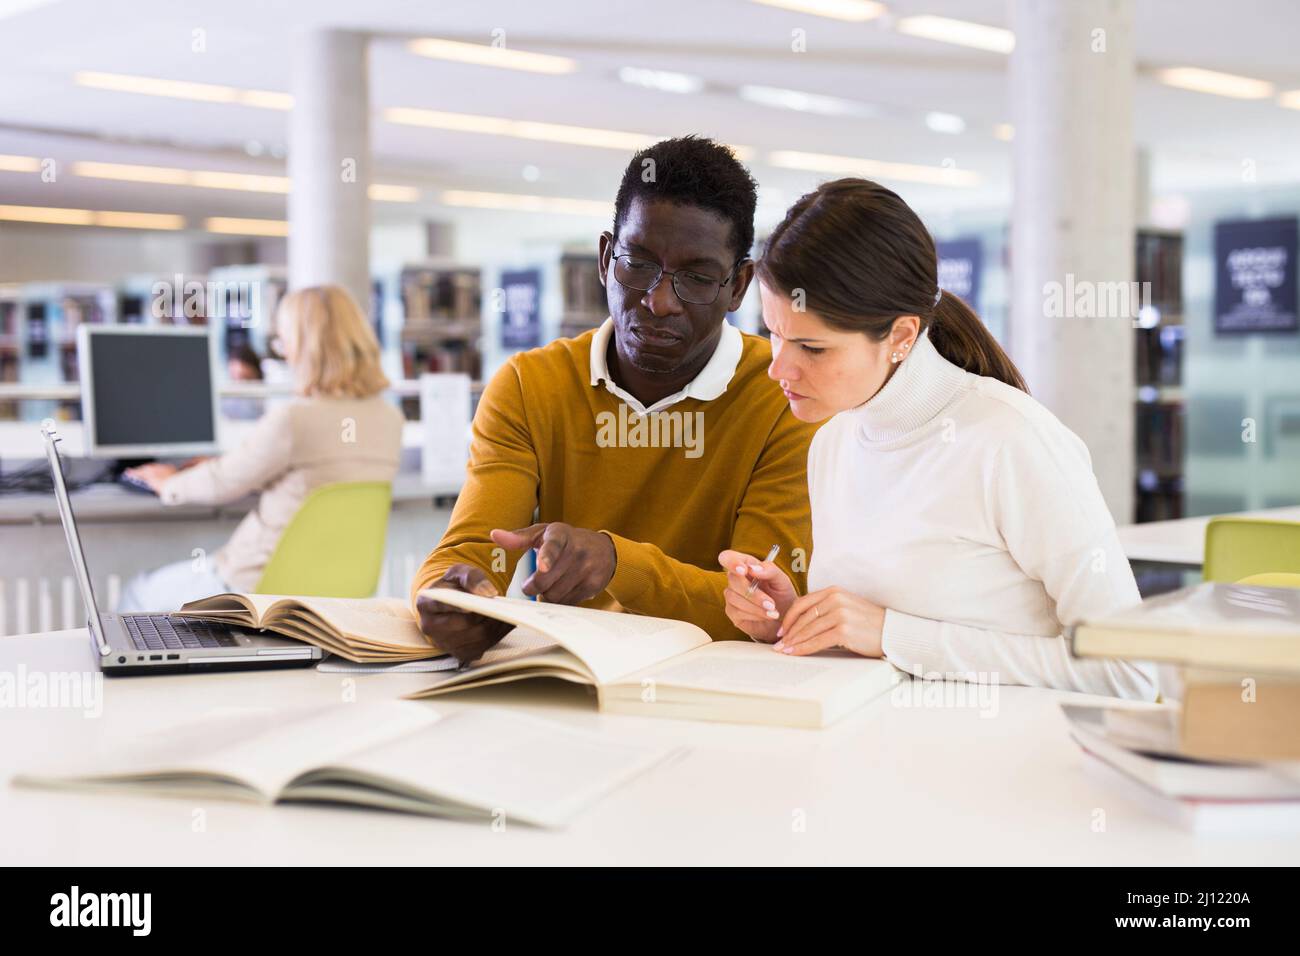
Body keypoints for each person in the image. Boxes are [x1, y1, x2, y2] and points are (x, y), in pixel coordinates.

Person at [720, 178, 1157, 700]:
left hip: (1000, 766)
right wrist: (794, 619)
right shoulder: (832, 440)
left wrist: (891, 633)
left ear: (902, 336)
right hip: (869, 754)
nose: (779, 368)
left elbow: (1128, 670)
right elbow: (877, 647)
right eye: (774, 333)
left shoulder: (1012, 441)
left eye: (812, 347)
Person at [412, 136, 819, 665]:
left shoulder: (784, 395)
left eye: (696, 278)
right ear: (606, 258)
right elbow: (475, 548)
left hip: (722, 689)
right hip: (566, 677)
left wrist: (617, 562)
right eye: (638, 265)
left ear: (738, 286)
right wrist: (454, 598)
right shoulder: (528, 384)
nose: (658, 301)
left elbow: (761, 605)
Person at [118, 285, 404, 610]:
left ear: (303, 346)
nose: (284, 352)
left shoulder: (294, 419)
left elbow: (223, 482)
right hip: (337, 593)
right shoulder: (390, 418)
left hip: (256, 587)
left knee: (137, 592)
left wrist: (167, 482)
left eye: (283, 341)